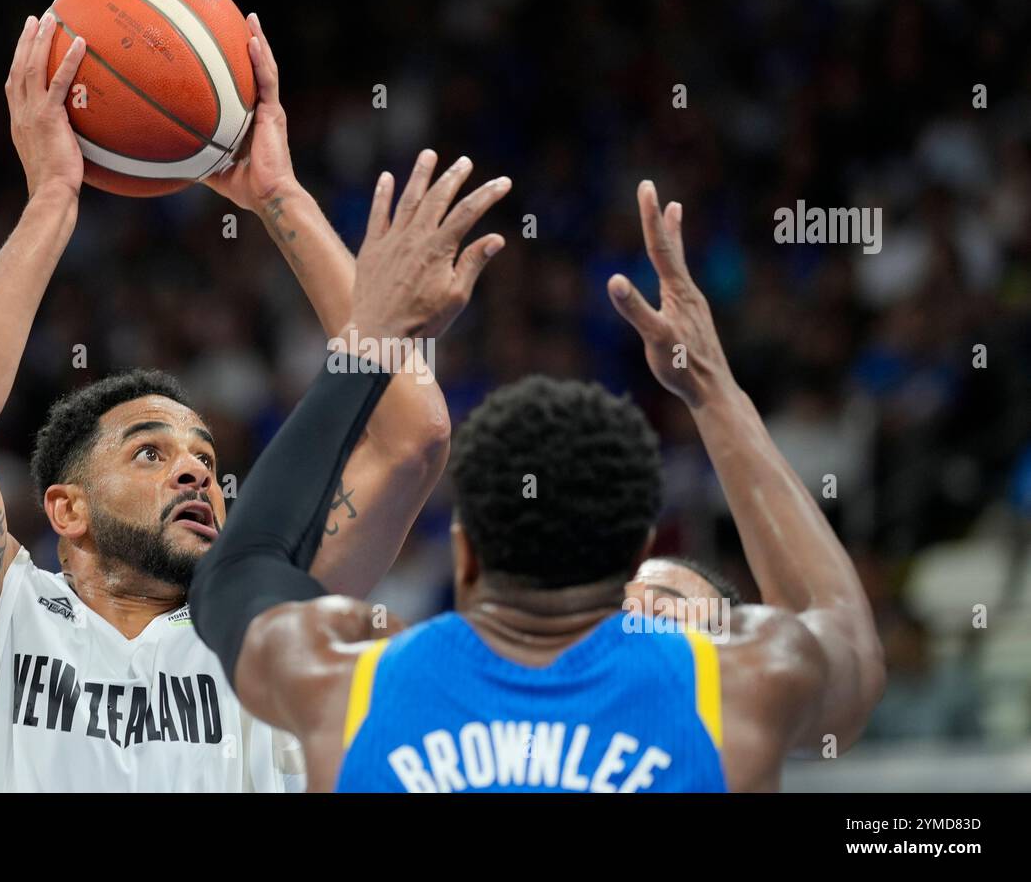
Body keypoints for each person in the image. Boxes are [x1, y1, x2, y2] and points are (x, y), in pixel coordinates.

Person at [0, 11, 510, 790]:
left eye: (206, 460)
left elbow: (411, 439)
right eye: (150, 452)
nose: (196, 475)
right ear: (65, 508)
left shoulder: (262, 624)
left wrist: (277, 195)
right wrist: (51, 200)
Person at [189, 180, 886, 793]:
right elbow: (847, 636)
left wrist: (371, 334)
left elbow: (241, 566)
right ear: (634, 550)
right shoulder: (740, 690)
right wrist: (711, 389)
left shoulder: (342, 688)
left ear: (463, 555)